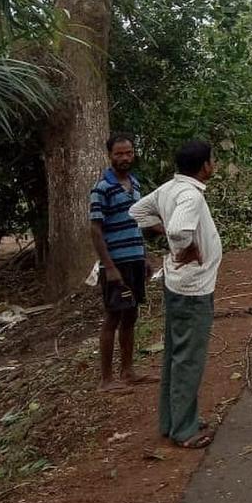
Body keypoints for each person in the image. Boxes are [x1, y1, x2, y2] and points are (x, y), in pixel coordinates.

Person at [129, 139, 221, 450]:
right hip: (193, 288)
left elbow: (137, 211)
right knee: (188, 359)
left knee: (175, 354)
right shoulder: (189, 196)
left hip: (178, 284)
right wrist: (184, 247)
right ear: (203, 165)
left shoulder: (170, 188)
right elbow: (181, 230)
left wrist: (164, 229)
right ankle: (184, 430)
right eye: (212, 159)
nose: (214, 163)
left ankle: (173, 420)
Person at [89, 132, 154, 393]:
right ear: (110, 155)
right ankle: (106, 380)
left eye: (129, 153)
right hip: (116, 263)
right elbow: (95, 229)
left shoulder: (135, 184)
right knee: (113, 317)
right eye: (119, 154)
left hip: (135, 260)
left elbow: (136, 223)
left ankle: (128, 372)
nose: (125, 158)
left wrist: (145, 256)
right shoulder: (101, 188)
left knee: (131, 314)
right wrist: (110, 267)